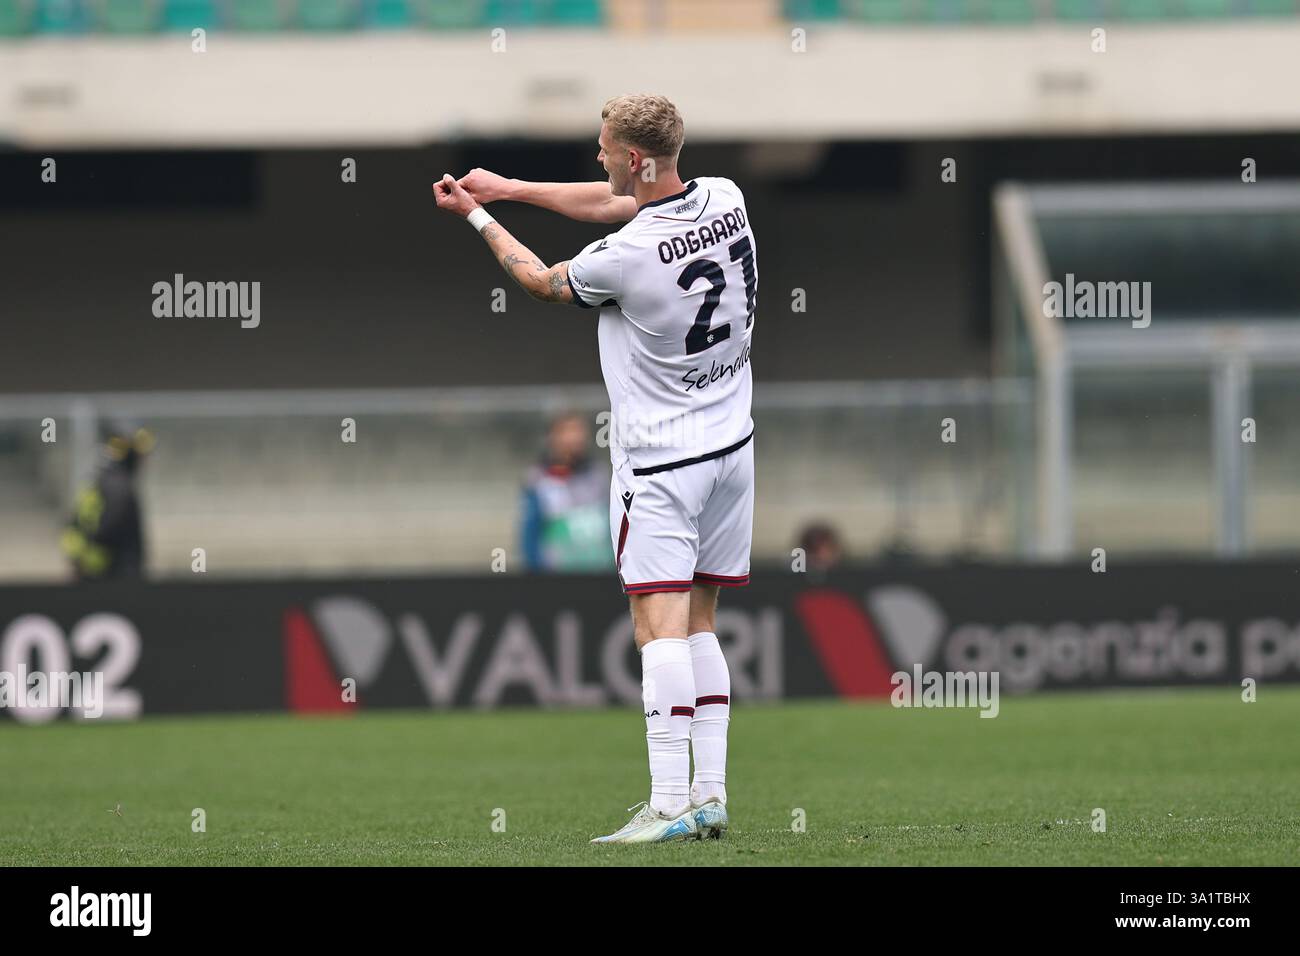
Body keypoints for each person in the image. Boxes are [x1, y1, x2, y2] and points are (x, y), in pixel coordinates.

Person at [435, 94, 757, 844]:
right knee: (702, 621)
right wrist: (511, 188)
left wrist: (480, 219)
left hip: (662, 462)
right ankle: (708, 795)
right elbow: (614, 206)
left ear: (635, 159)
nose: (599, 158)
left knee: (658, 628)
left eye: (606, 147)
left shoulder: (628, 255)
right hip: (732, 448)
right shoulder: (726, 198)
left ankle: (669, 803)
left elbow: (542, 281)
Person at [61, 423, 153, 581]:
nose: (144, 463)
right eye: (140, 456)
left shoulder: (98, 481)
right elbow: (107, 529)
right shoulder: (119, 488)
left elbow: (74, 525)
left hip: (95, 571)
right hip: (113, 574)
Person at [520, 413, 611, 572]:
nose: (575, 439)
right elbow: (530, 537)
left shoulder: (600, 476)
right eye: (568, 432)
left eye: (579, 432)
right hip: (557, 579)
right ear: (553, 437)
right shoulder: (537, 480)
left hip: (600, 575)